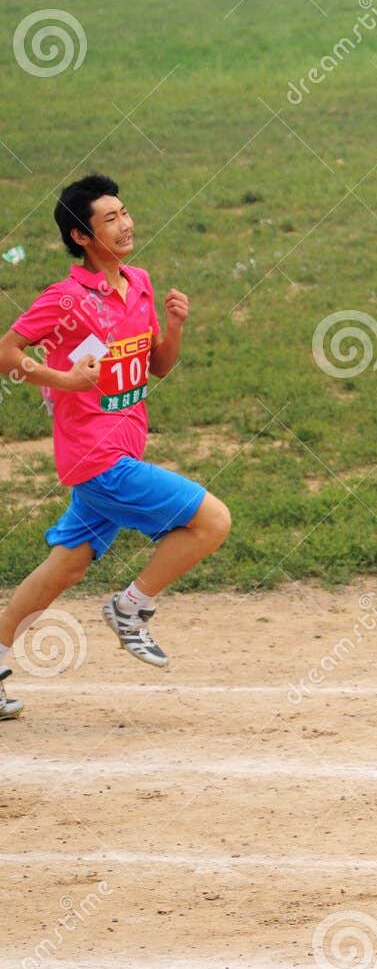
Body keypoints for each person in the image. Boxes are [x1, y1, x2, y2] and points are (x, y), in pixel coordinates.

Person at [0, 173, 232, 720]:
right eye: (109, 218)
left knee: (64, 568)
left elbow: (157, 366)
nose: (125, 224)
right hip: (96, 460)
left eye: (124, 212)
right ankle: (131, 607)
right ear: (81, 236)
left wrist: (174, 328)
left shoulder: (140, 283)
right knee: (212, 522)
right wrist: (62, 381)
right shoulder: (64, 299)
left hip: (120, 453)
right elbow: (7, 352)